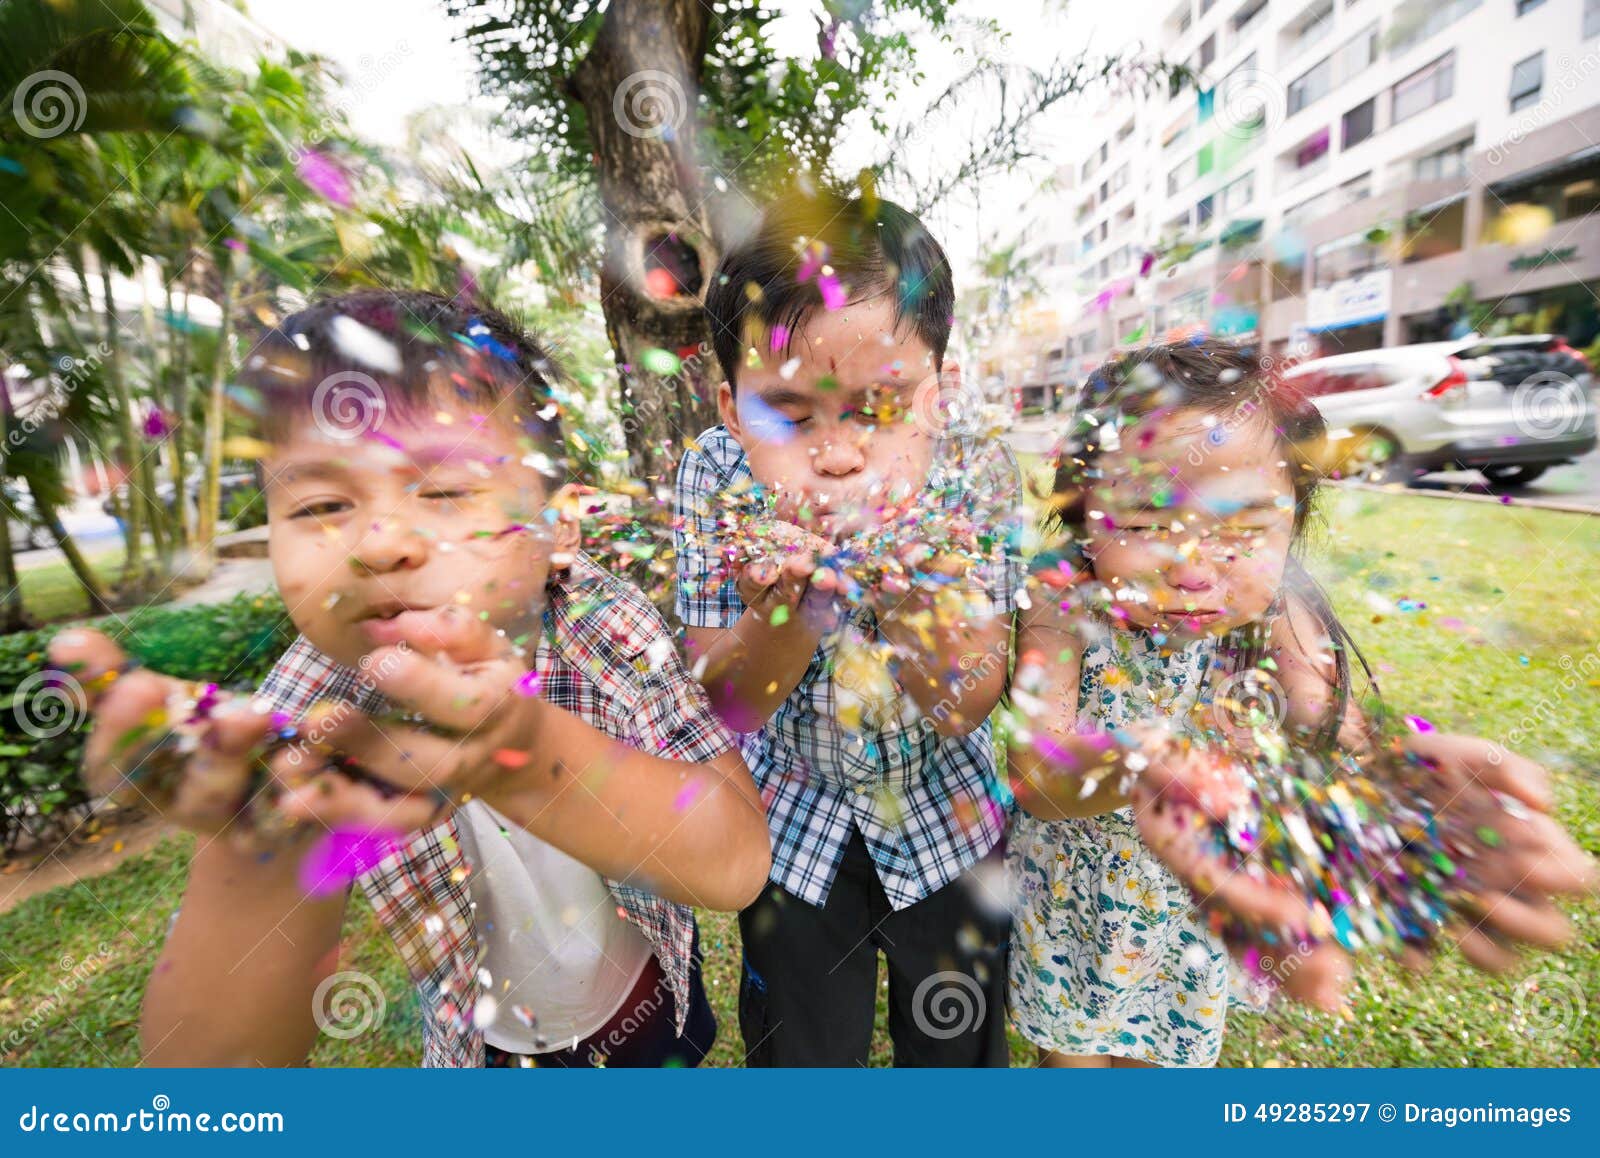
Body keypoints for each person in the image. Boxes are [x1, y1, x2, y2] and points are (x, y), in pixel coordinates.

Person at [50, 289, 771, 1069]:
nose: (380, 543)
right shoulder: (308, 711)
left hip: (647, 1004)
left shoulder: (607, 625)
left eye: (444, 491)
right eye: (323, 503)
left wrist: (522, 753)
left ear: (560, 524)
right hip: (486, 1051)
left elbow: (733, 861)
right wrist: (256, 858)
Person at [1005, 338, 1596, 1068]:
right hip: (1079, 901)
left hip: (1202, 899)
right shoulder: (1062, 595)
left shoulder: (1279, 606)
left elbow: (1331, 725)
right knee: (1074, 1075)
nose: (1193, 573)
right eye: (1147, 524)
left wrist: (1395, 785)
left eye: (1243, 527)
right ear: (1084, 509)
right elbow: (1037, 770)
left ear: (1293, 517)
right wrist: (1141, 762)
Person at [675, 187, 1023, 1066]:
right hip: (794, 828)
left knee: (952, 1062)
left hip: (951, 825)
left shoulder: (975, 471)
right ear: (729, 408)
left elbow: (965, 703)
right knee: (804, 1059)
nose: (836, 454)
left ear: (936, 395)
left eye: (879, 407)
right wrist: (791, 612)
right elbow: (728, 703)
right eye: (789, 416)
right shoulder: (714, 477)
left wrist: (913, 586)